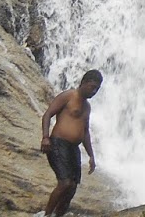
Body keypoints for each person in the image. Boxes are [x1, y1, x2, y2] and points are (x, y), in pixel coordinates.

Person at [37, 68, 101, 217]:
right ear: (83, 83)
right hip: (58, 143)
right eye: (92, 87)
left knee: (72, 187)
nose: (94, 91)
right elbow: (47, 115)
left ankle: (59, 215)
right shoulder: (68, 96)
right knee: (65, 182)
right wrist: (45, 137)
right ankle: (47, 215)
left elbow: (85, 132)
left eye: (97, 89)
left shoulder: (87, 107)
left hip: (73, 148)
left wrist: (91, 156)